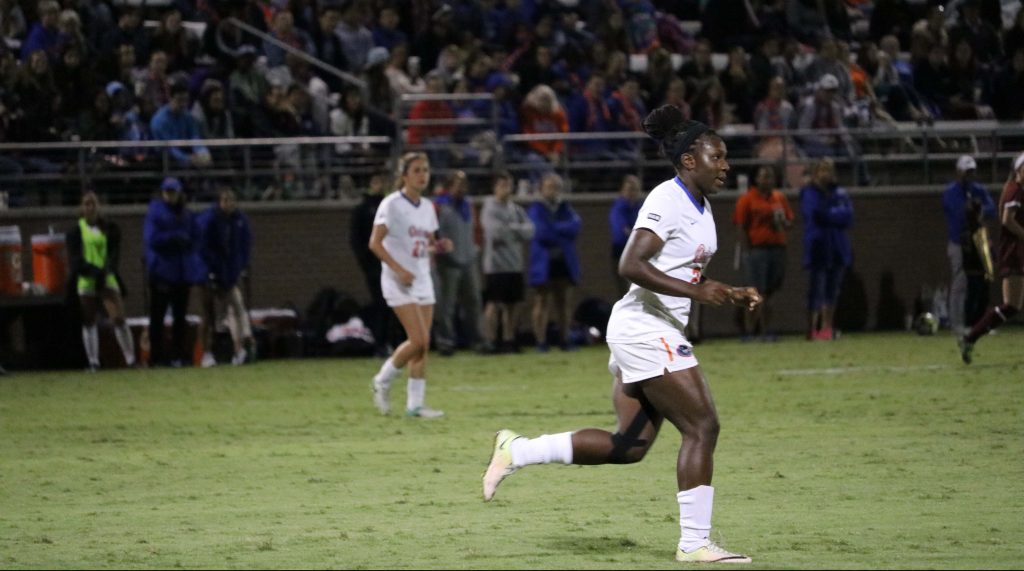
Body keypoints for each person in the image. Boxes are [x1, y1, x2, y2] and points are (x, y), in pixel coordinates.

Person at [482, 108, 761, 564]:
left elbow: (683, 271)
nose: (726, 165)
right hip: (643, 328)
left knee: (629, 447)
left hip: (652, 327)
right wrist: (698, 289)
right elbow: (631, 265)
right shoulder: (667, 199)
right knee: (703, 426)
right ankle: (694, 544)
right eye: (719, 156)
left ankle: (517, 449)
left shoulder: (701, 206)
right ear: (690, 159)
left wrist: (727, 292)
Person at [368, 152, 453, 418]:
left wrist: (439, 247)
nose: (422, 175)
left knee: (423, 345)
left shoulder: (427, 207)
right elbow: (375, 243)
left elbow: (425, 244)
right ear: (404, 175)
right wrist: (399, 269)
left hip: (421, 278)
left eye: (425, 170)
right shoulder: (391, 204)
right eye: (416, 170)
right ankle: (382, 380)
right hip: (398, 279)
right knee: (418, 339)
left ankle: (415, 406)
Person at [958, 153, 1024, 364]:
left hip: (1017, 252)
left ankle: (970, 337)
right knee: (1011, 306)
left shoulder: (1016, 189)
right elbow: (1007, 221)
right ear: (1018, 170)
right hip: (1014, 253)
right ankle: (970, 337)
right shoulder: (1016, 190)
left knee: (1012, 306)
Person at [67, 191, 136, 371]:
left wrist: (105, 272)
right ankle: (93, 361)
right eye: (86, 204)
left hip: (106, 278)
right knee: (89, 320)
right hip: (87, 279)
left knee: (118, 317)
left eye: (93, 203)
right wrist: (93, 271)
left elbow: (114, 255)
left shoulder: (110, 228)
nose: (90, 207)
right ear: (82, 208)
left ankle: (131, 359)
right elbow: (75, 260)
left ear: (98, 206)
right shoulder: (76, 231)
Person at [143, 177, 204, 367]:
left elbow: (196, 237)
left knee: (180, 317)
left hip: (181, 272)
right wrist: (174, 237)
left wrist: (189, 248)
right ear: (163, 193)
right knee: (158, 317)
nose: (170, 195)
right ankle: (157, 357)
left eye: (173, 192)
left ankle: (178, 355)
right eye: (167, 192)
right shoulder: (155, 212)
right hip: (161, 271)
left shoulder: (187, 214)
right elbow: (151, 238)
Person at [733, 165, 794, 341]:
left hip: (776, 249)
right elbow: (740, 226)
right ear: (756, 179)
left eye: (770, 177)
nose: (767, 180)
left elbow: (789, 223)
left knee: (768, 293)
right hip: (757, 250)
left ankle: (765, 331)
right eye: (763, 176)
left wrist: (782, 221)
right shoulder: (747, 199)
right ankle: (750, 331)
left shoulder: (779, 198)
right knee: (754, 292)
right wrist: (747, 251)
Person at [432, 170, 486, 356]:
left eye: (464, 185)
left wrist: (476, 248)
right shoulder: (438, 206)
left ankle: (477, 339)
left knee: (474, 301)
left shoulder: (468, 206)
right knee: (446, 305)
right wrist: (440, 252)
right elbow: (433, 234)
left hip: (468, 260)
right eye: (458, 184)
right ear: (449, 186)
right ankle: (445, 341)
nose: (462, 188)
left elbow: (476, 230)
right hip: (447, 262)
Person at [799, 158, 854, 341]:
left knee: (832, 290)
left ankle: (827, 328)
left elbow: (848, 217)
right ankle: (812, 329)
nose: (826, 174)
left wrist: (829, 215)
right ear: (815, 173)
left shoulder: (839, 192)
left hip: (837, 246)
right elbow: (815, 215)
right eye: (822, 170)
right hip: (818, 245)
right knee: (816, 289)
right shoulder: (809, 193)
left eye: (829, 170)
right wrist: (833, 215)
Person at [197, 189, 253, 367]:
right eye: (225, 200)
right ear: (219, 202)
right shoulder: (209, 220)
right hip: (208, 272)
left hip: (228, 273)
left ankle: (240, 348)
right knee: (208, 313)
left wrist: (239, 267)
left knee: (236, 306)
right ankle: (206, 352)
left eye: (232, 200)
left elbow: (244, 246)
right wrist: (210, 271)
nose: (228, 204)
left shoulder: (239, 220)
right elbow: (202, 247)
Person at [481, 171, 535, 353]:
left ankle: (508, 339)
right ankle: (489, 340)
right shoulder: (489, 208)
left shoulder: (516, 209)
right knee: (494, 304)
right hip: (495, 266)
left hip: (515, 264)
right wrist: (516, 231)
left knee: (513, 305)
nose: (507, 189)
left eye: (509, 185)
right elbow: (496, 232)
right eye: (503, 185)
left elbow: (530, 230)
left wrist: (511, 230)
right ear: (495, 187)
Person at [943, 155, 997, 338]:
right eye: (967, 172)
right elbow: (961, 213)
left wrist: (979, 209)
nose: (970, 175)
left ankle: (979, 324)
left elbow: (991, 209)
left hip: (978, 242)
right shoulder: (950, 191)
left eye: (972, 171)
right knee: (960, 283)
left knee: (982, 283)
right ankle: (957, 323)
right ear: (959, 172)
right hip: (960, 242)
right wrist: (976, 209)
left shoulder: (978, 189)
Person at [527, 173, 582, 352]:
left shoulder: (565, 207)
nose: (553, 190)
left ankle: (564, 339)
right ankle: (541, 341)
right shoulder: (536, 208)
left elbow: (576, 227)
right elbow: (542, 233)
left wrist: (555, 228)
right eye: (549, 186)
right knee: (541, 301)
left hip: (563, 261)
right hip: (543, 262)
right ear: (542, 189)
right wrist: (561, 232)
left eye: (556, 187)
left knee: (564, 302)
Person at [350, 172, 393, 357]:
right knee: (381, 304)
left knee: (394, 305)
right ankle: (380, 343)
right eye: (376, 182)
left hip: (392, 265)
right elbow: (357, 240)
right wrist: (367, 265)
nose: (380, 185)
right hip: (375, 266)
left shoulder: (392, 207)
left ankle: (394, 341)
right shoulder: (363, 210)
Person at [608, 174, 644, 296]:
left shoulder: (641, 207)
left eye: (636, 189)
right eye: (630, 189)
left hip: (640, 254)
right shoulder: (618, 208)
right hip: (623, 253)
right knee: (627, 292)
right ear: (622, 190)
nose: (633, 193)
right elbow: (621, 232)